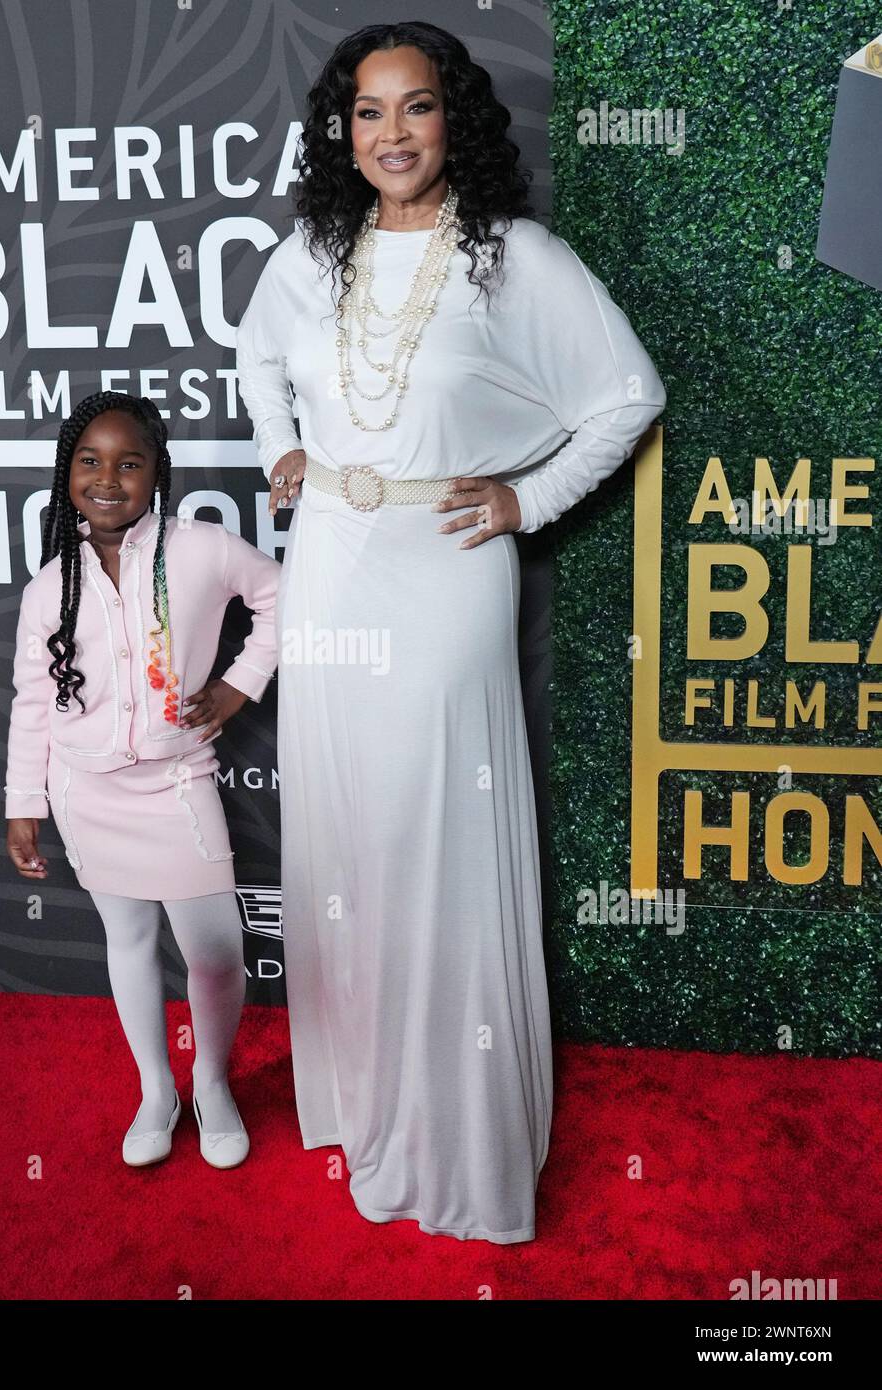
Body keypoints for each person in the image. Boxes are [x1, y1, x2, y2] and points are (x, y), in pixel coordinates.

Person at [235, 23, 667, 1242]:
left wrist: (529, 500)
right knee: (350, 832)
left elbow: (627, 394)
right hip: (331, 560)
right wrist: (280, 448)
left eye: (414, 107)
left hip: (444, 567)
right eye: (367, 113)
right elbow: (257, 358)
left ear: (452, 120)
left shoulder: (514, 257)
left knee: (431, 829)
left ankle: (456, 1130)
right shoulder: (307, 256)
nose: (391, 134)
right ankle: (363, 1092)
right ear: (342, 133)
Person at [4, 390, 281, 1170]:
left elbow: (282, 596)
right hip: (84, 792)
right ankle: (156, 1091)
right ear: (66, 475)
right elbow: (32, 701)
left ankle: (212, 1083)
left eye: (129, 463)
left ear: (157, 472)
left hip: (178, 786)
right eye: (89, 462)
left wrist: (238, 684)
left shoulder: (200, 548)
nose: (107, 479)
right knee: (126, 941)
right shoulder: (48, 587)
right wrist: (23, 802)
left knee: (214, 952)